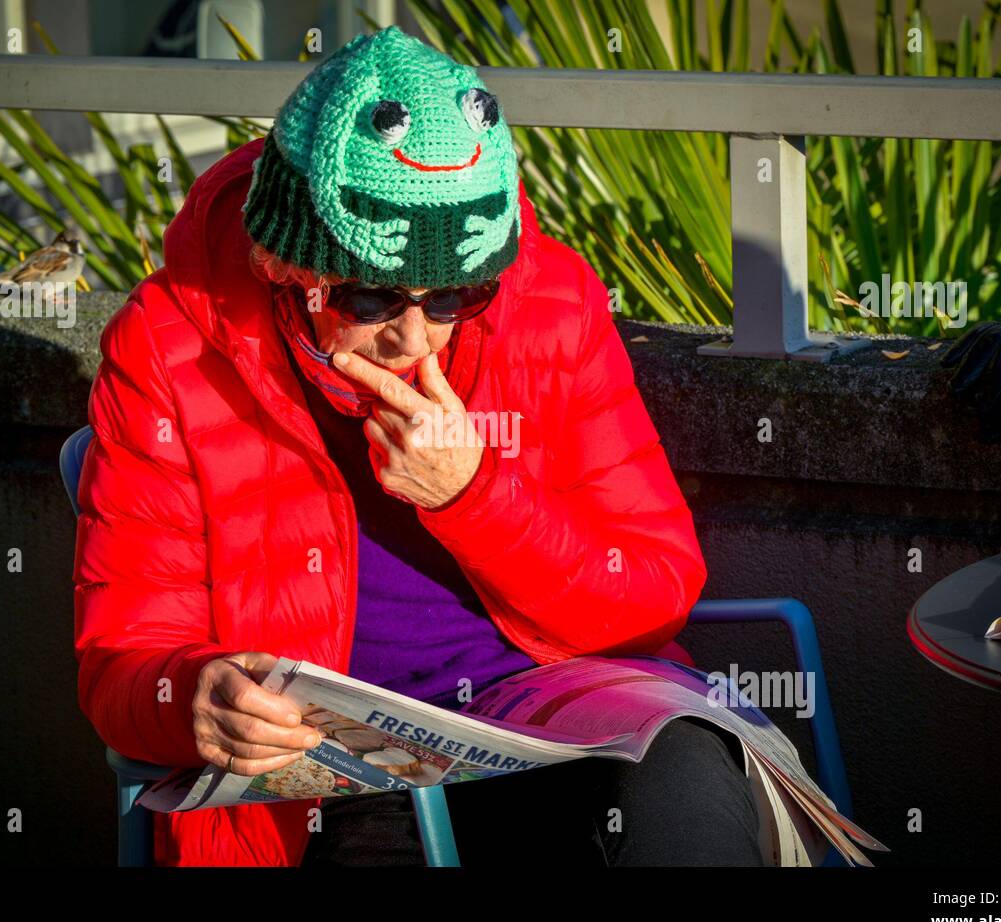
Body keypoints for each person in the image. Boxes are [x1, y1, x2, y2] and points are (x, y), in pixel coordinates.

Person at [73, 25, 761, 866]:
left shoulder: (552, 302)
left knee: (685, 793)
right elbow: (126, 656)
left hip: (557, 708)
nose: (416, 341)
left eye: (454, 300)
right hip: (341, 769)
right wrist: (193, 696)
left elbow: (653, 593)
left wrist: (475, 497)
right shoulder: (168, 344)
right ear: (285, 269)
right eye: (370, 299)